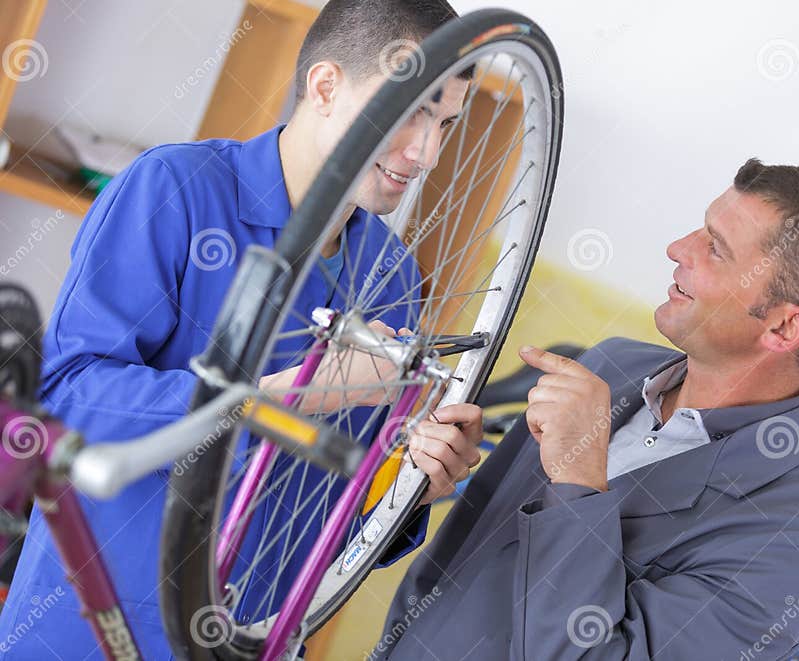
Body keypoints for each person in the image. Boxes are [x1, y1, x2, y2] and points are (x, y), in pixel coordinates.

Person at [0, 1, 484, 659]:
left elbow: (328, 525)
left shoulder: (392, 276)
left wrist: (415, 485)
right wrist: (289, 395)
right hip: (92, 632)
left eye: (446, 124)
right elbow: (66, 407)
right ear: (325, 86)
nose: (427, 153)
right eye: (412, 112)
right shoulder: (175, 189)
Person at [377, 159, 799, 660]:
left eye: (716, 248)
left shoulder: (791, 551)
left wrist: (579, 482)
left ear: (784, 327)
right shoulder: (612, 365)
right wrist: (421, 485)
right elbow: (460, 560)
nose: (677, 248)